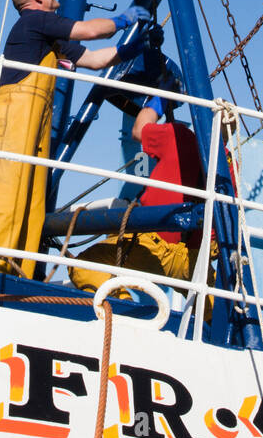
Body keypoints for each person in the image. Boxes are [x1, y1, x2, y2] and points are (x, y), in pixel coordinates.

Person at [0, 0, 148, 276]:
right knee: (4, 192)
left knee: (31, 199)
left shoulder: (47, 36)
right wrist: (123, 20)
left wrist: (132, 49)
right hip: (12, 114)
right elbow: (90, 31)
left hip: (30, 117)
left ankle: (18, 272)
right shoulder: (35, 21)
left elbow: (93, 59)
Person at [69, 98, 206, 297]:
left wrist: (158, 101)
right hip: (194, 260)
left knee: (84, 265)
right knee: (221, 305)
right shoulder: (230, 166)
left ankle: (121, 307)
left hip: (153, 246)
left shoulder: (180, 136)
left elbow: (139, 130)